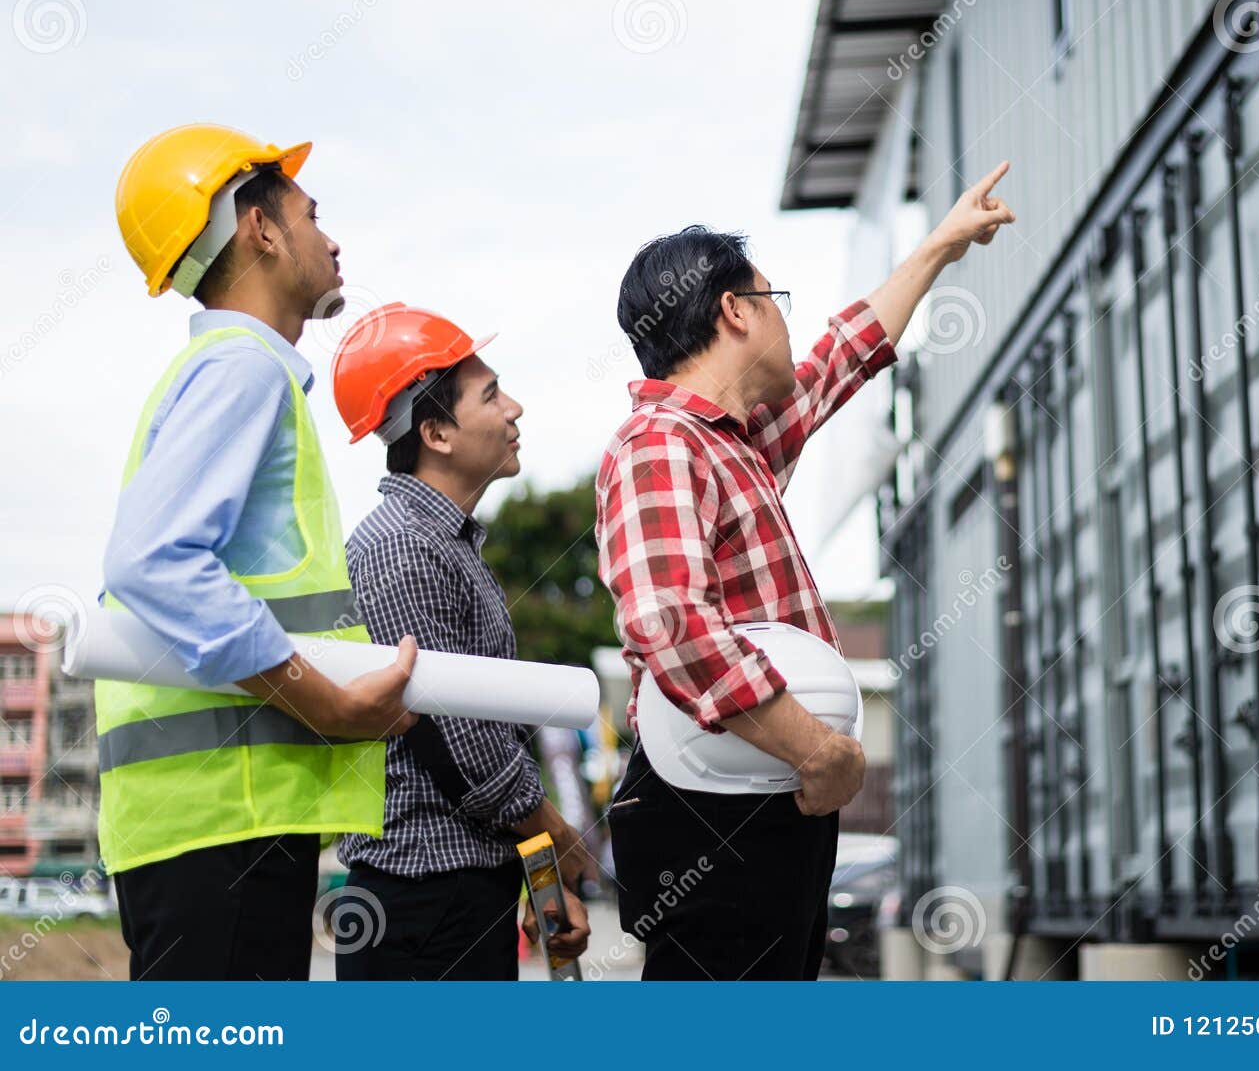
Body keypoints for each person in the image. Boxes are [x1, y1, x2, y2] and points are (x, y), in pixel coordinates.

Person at [598, 161, 1016, 979]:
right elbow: (668, 624)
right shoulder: (661, 444)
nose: (789, 325)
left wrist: (940, 244)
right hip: (716, 809)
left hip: (750, 794)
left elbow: (841, 357)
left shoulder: (734, 442)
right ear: (736, 311)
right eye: (774, 300)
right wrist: (818, 749)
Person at [99, 124, 418, 981]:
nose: (331, 239)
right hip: (227, 825)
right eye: (312, 214)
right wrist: (326, 703)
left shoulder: (222, 370)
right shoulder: (242, 369)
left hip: (210, 824)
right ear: (261, 229)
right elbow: (152, 561)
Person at [329, 304, 592, 979]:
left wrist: (543, 883)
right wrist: (557, 839)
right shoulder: (401, 547)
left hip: (459, 895)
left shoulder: (447, 546)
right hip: (419, 903)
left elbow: (491, 749)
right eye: (492, 394)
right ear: (436, 432)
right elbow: (460, 745)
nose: (515, 408)